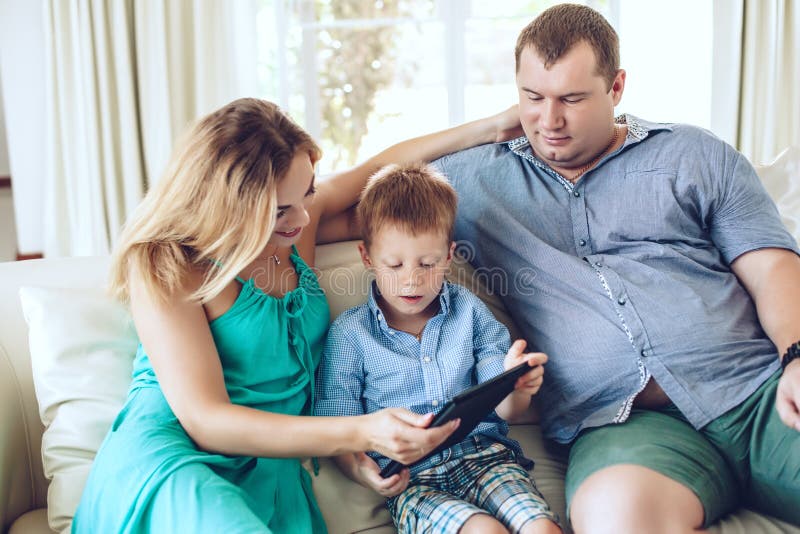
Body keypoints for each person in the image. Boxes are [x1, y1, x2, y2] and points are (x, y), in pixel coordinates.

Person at [71, 98, 522, 533]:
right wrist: (361, 432)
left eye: (307, 193)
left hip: (272, 474)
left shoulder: (291, 240)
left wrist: (493, 127)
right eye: (280, 209)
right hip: (175, 464)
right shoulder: (167, 264)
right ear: (228, 205)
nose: (305, 217)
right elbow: (206, 420)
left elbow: (380, 172)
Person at [431, 4, 800, 533]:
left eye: (572, 99)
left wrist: (797, 357)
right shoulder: (476, 182)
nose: (548, 120)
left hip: (756, 391)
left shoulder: (693, 155)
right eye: (532, 97)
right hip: (626, 428)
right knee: (616, 519)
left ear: (617, 87)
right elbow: (343, 199)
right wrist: (484, 126)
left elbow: (770, 266)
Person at [316, 163, 561, 534]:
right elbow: (340, 425)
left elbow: (506, 408)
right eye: (394, 265)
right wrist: (364, 473)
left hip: (486, 459)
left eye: (427, 264)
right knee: (484, 532)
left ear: (448, 256)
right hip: (414, 480)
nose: (411, 279)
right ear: (367, 258)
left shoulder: (469, 310)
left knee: (541, 529)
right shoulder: (351, 335)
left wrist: (516, 385)